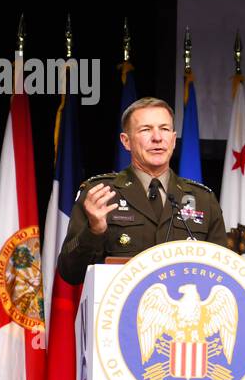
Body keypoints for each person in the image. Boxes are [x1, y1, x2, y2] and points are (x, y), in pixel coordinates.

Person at [57, 97, 227, 284]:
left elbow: (223, 274)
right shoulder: (101, 194)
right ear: (126, 141)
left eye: (164, 129)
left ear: (173, 139)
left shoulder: (203, 199)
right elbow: (70, 273)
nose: (157, 137)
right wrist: (94, 230)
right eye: (146, 129)